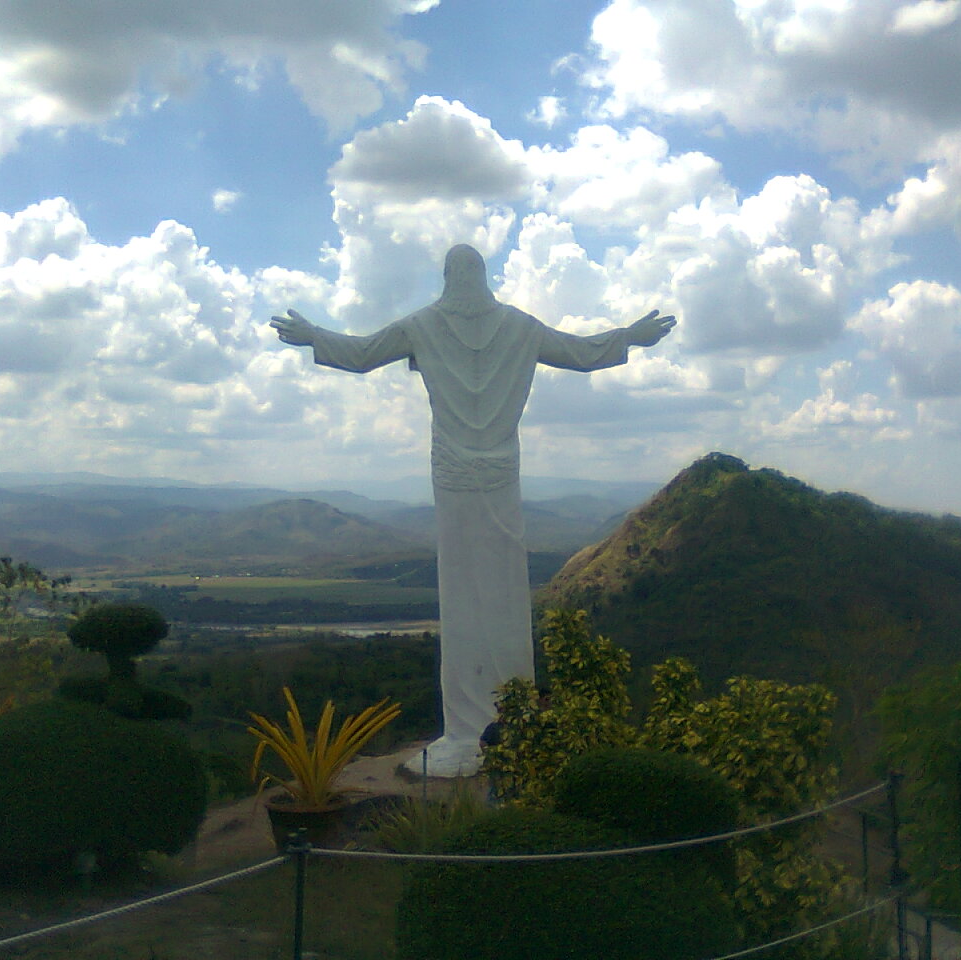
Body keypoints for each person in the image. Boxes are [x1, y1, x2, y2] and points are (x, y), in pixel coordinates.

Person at [271, 244, 674, 775]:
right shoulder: (518, 326)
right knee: (505, 589)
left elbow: (364, 353)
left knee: (461, 595)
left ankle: (470, 728)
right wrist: (629, 336)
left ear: (445, 277)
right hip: (500, 476)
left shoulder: (424, 323)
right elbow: (581, 352)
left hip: (456, 476)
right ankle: (508, 719)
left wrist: (313, 336)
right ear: (484, 276)